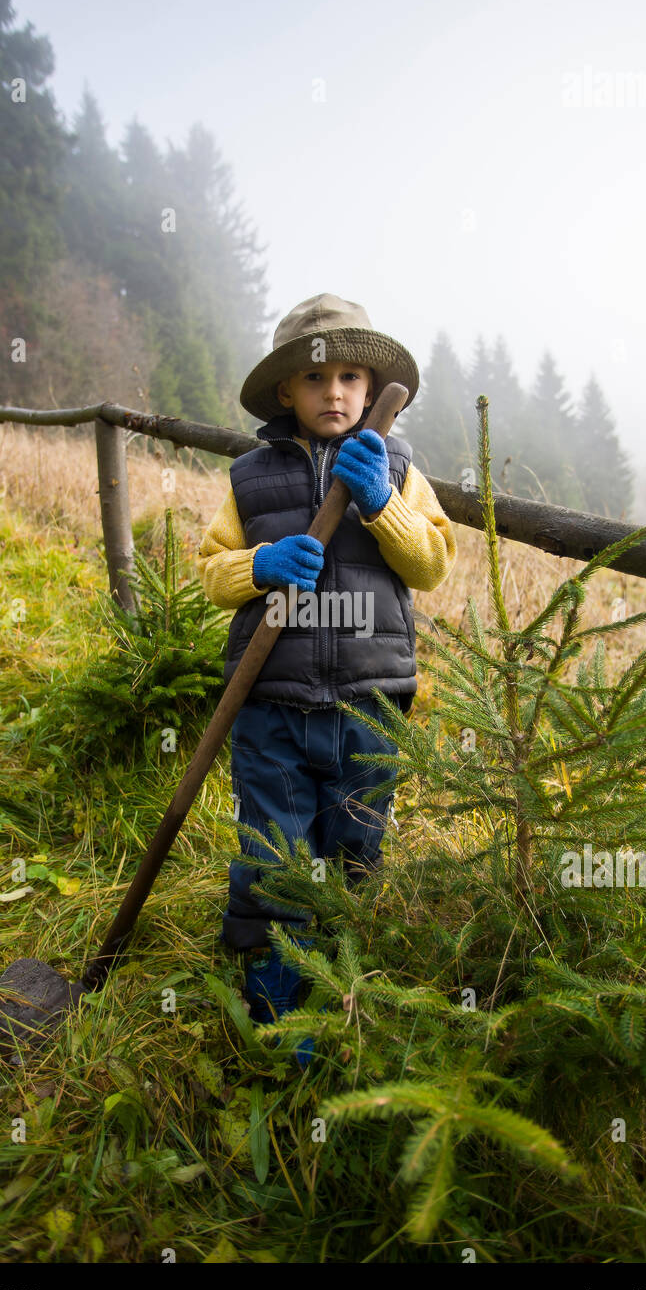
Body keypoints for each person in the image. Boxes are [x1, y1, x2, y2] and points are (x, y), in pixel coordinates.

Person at [196, 293, 456, 1063]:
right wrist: (259, 566)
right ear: (286, 393)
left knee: (354, 849)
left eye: (349, 377)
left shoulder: (398, 471)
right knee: (276, 850)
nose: (333, 393)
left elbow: (432, 565)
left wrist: (380, 506)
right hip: (269, 703)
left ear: (372, 390)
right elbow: (211, 573)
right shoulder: (251, 478)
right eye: (315, 380)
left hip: (369, 706)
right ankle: (275, 1003)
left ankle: (344, 993)